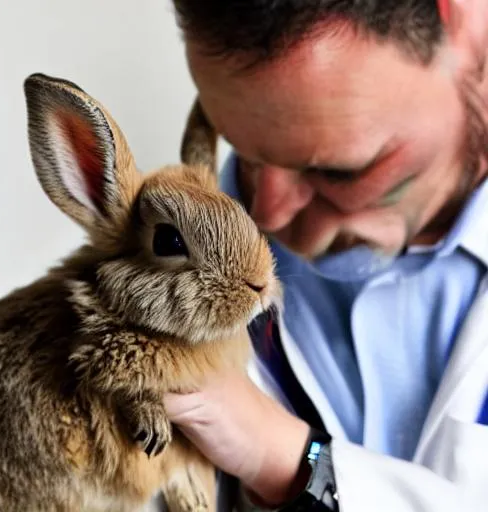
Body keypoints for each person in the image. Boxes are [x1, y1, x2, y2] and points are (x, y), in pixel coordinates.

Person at [163, 1, 488, 510]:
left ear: (470, 20)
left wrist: (295, 466)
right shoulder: (164, 274)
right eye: (244, 151)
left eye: (341, 172)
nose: (267, 215)